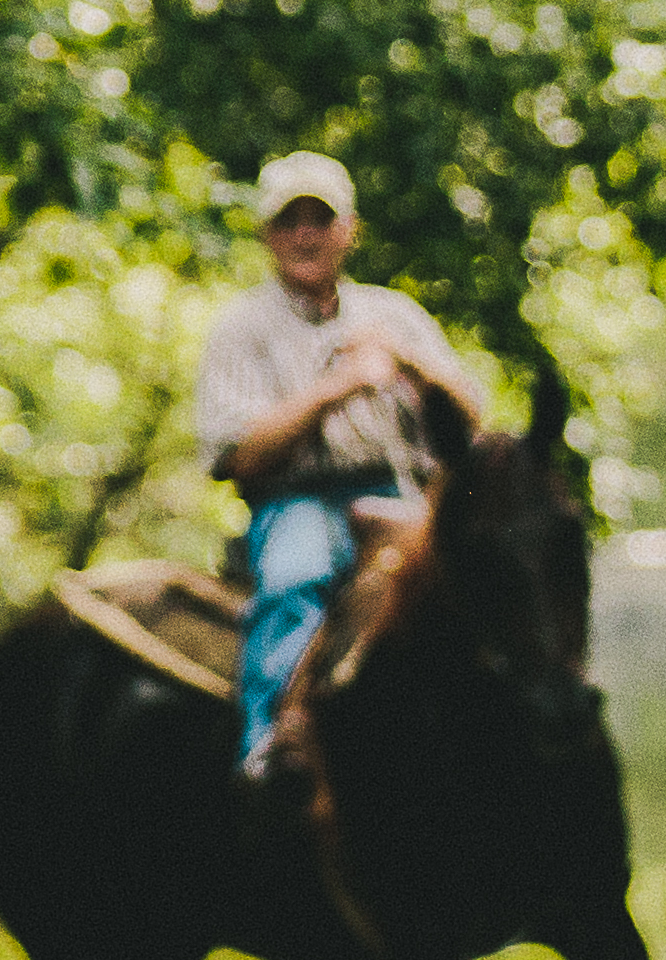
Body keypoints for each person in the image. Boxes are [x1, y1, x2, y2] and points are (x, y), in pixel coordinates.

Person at [193, 151, 493, 786]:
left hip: (397, 490)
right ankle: (266, 743)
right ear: (267, 235)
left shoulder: (394, 316)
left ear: (348, 228)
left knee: (481, 573)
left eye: (320, 220)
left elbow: (474, 426)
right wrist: (337, 388)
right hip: (297, 500)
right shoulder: (242, 328)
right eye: (289, 221)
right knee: (296, 578)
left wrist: (414, 365)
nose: (305, 235)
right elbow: (236, 455)